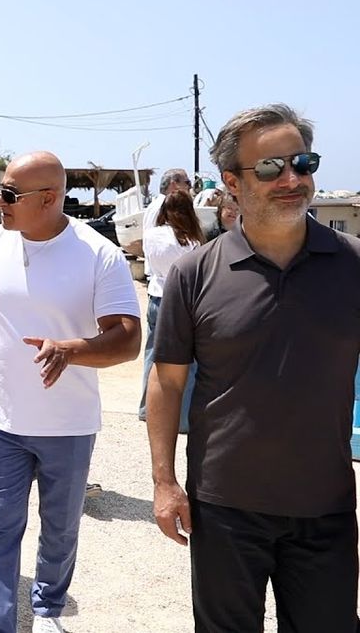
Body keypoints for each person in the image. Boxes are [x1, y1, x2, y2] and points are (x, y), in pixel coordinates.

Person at [147, 104, 360, 632]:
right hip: (224, 508)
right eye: (270, 168)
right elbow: (166, 380)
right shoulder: (195, 272)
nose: (292, 179)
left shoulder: (354, 265)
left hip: (326, 508)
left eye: (303, 163)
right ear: (232, 184)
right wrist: (164, 483)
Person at [0, 152, 140, 633]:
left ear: (50, 198)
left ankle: (50, 609)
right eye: (0, 190)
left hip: (67, 425)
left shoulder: (99, 254)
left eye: (10, 195)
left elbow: (127, 338)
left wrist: (72, 350)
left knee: (60, 529)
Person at [138, 190, 205, 427]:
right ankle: (182, 418)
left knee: (152, 355)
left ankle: (147, 409)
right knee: (186, 362)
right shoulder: (191, 241)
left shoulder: (151, 235)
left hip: (156, 296)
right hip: (181, 301)